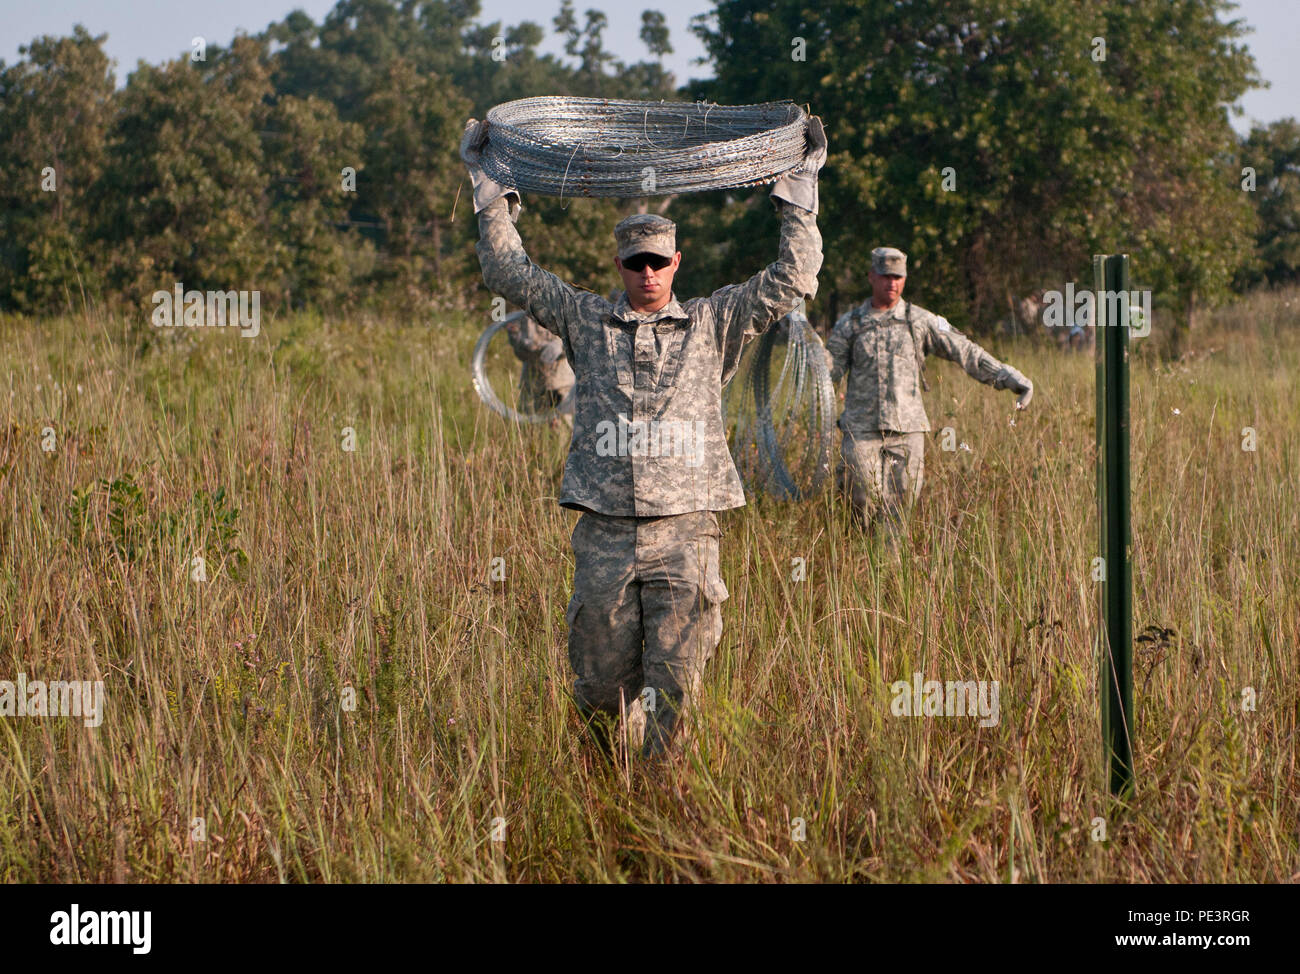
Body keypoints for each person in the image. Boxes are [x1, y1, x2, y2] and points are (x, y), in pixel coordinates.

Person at [461, 114, 825, 759]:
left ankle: (661, 802)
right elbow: (510, 273)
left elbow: (792, 280)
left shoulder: (715, 322)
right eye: (636, 262)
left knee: (677, 687)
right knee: (600, 692)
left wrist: (798, 189)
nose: (648, 273)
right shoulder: (584, 318)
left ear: (676, 261)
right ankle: (606, 790)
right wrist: (492, 187)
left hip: (686, 533)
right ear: (620, 264)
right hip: (604, 532)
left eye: (659, 261)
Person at [825, 247, 1033, 542]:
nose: (892, 283)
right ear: (871, 277)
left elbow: (966, 349)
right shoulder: (850, 324)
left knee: (901, 503)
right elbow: (828, 372)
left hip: (908, 430)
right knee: (860, 496)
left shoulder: (922, 320)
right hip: (861, 430)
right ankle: (860, 552)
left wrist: (1009, 377)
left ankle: (888, 572)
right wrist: (808, 359)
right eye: (885, 276)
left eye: (898, 277)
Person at [504, 312, 575, 428]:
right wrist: (520, 341)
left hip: (561, 388)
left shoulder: (566, 307)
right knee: (528, 434)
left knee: (561, 436)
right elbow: (520, 352)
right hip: (532, 388)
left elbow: (581, 338)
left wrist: (561, 345)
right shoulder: (523, 312)